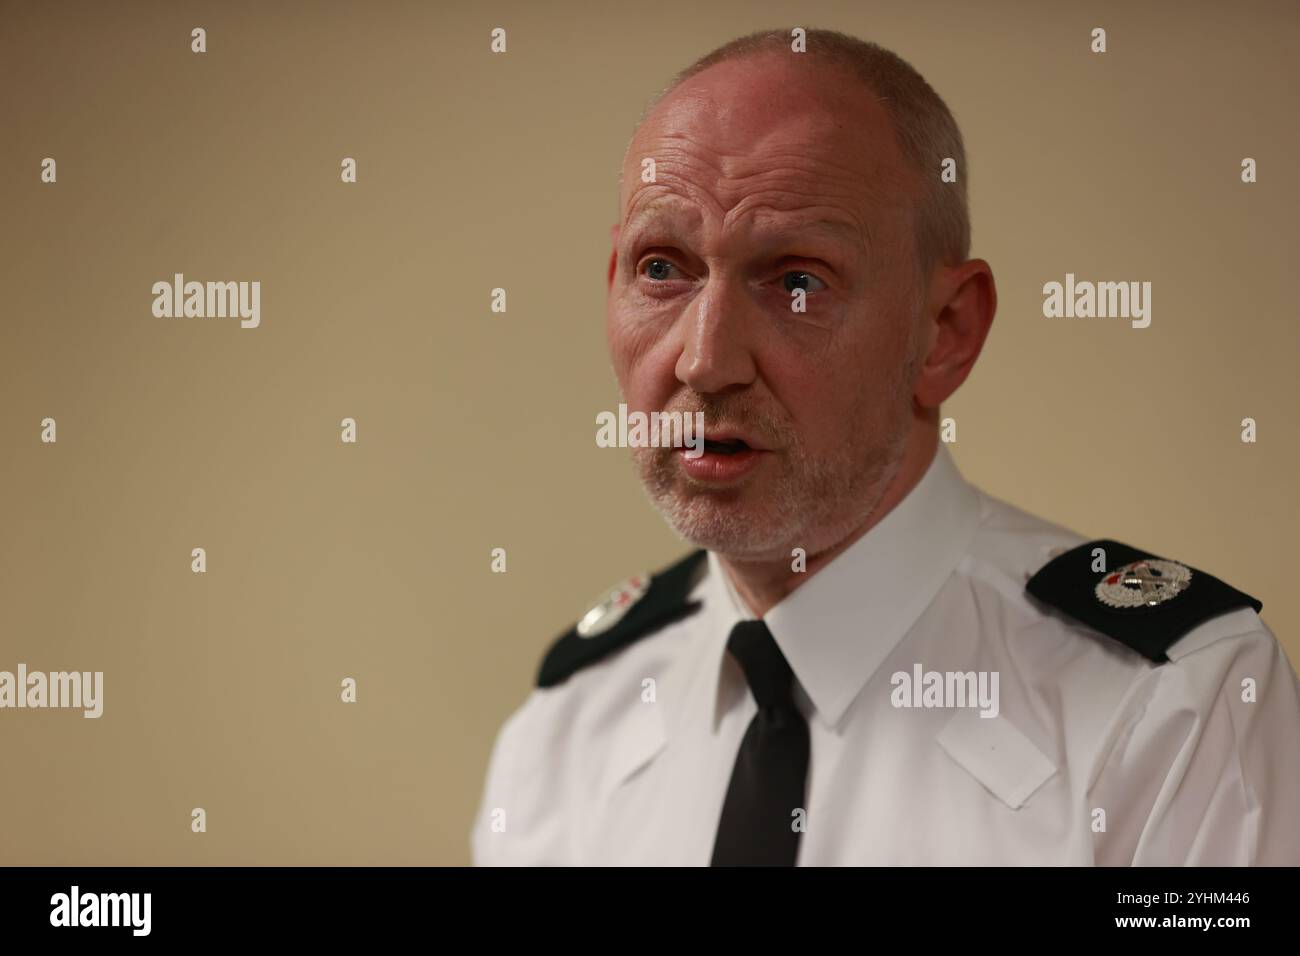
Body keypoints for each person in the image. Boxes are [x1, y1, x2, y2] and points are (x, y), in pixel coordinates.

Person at [470, 28, 1300, 865]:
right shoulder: (567, 725)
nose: (704, 359)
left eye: (797, 281)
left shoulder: (1175, 708)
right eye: (662, 269)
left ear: (945, 331)